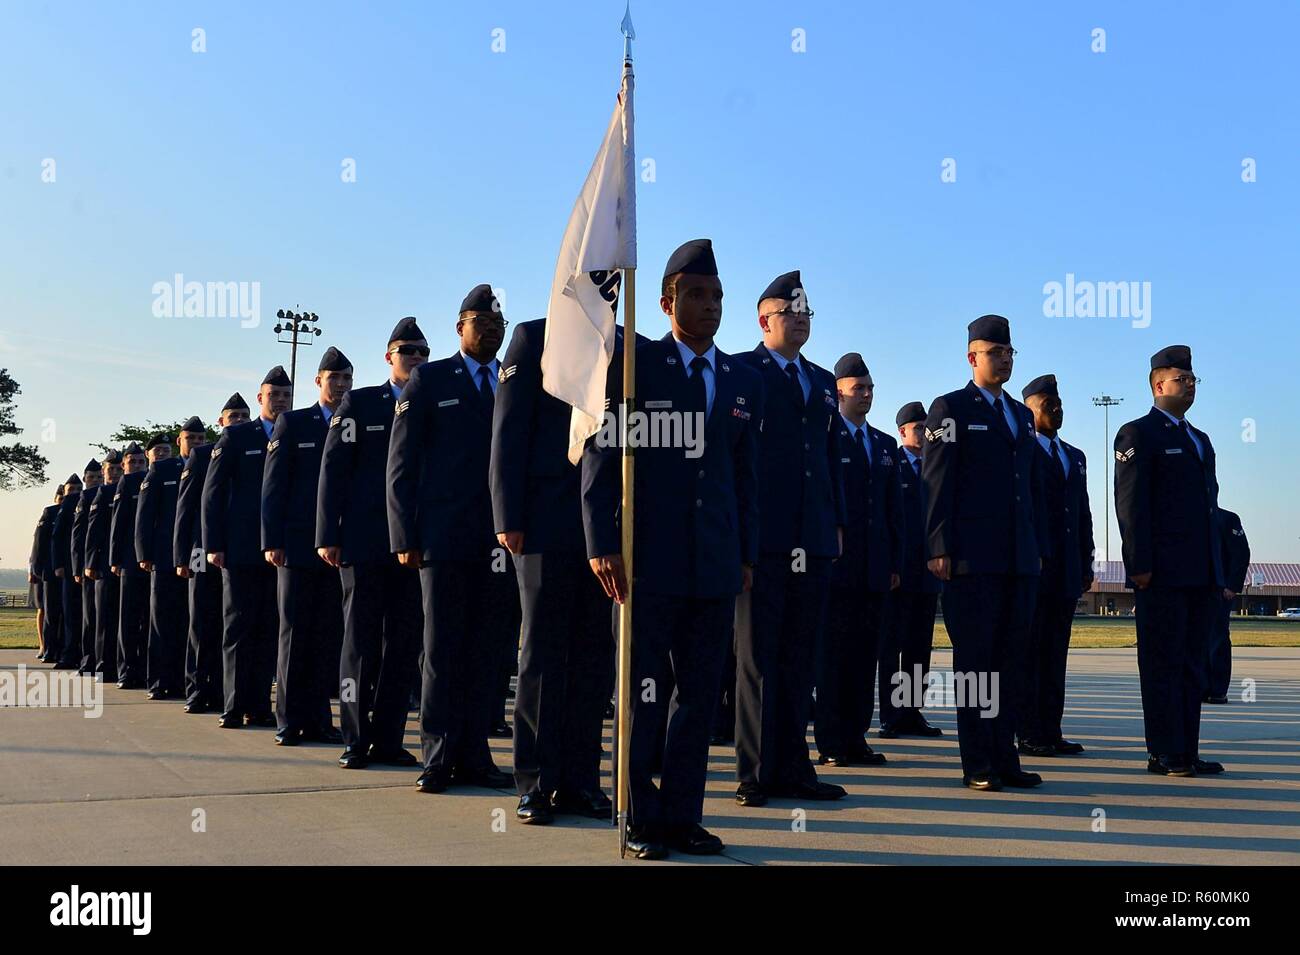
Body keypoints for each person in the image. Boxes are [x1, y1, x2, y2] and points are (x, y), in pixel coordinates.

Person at [583, 238, 764, 859]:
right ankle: (636, 814)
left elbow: (745, 478)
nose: (709, 306)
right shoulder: (639, 366)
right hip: (645, 563)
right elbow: (602, 459)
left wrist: (746, 556)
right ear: (666, 302)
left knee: (696, 698)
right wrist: (601, 542)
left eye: (717, 296)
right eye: (696, 294)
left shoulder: (740, 379)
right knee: (641, 692)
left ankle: (683, 815)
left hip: (713, 566)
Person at [491, 316, 619, 824]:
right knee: (542, 651)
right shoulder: (533, 337)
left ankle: (581, 781)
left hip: (607, 525)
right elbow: (509, 427)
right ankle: (537, 783)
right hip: (545, 519)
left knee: (593, 656)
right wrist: (508, 516)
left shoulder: (622, 341)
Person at [388, 284, 516, 794]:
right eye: (480, 322)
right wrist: (404, 532)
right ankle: (438, 756)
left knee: (488, 652)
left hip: (500, 541)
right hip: (442, 539)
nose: (490, 330)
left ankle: (476, 755)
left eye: (497, 324)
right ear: (459, 328)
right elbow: (402, 463)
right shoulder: (430, 379)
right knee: (441, 649)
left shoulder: (513, 380)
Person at [733, 269, 846, 807]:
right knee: (757, 659)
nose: (800, 319)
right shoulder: (743, 372)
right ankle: (754, 772)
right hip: (764, 538)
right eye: (790, 312)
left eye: (807, 313)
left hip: (813, 535)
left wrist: (836, 523)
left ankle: (794, 768)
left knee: (801, 657)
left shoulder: (822, 381)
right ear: (764, 320)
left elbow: (827, 461)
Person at [922, 314, 1048, 791]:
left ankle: (1005, 756)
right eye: (996, 353)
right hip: (970, 559)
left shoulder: (1019, 415)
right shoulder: (950, 408)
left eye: (1010, 352)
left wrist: (1037, 550)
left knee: (1011, 661)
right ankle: (977, 761)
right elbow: (936, 481)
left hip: (1017, 559)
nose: (1005, 359)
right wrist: (938, 546)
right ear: (972, 357)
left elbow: (1029, 488)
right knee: (975, 662)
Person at [318, 318, 427, 769]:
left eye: (422, 352)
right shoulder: (359, 404)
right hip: (363, 542)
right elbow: (333, 470)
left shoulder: (432, 399)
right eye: (407, 352)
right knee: (360, 643)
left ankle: (389, 738)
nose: (416, 359)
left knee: (403, 644)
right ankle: (355, 738)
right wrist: (328, 534)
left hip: (416, 544)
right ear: (389, 357)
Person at [1114, 344, 1225, 777]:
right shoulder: (1137, 434)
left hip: (1200, 572)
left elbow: (1210, 509)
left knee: (1193, 664)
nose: (1190, 385)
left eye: (1193, 379)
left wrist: (1217, 568)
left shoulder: (1199, 440)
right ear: (1159, 385)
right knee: (1162, 662)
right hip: (1160, 572)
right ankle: (1164, 751)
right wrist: (1138, 563)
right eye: (1182, 379)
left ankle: (1188, 750)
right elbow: (1131, 504)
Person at [813, 352, 902, 766]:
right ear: (839, 393)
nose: (865, 395)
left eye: (869, 389)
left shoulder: (884, 445)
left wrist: (895, 563)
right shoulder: (828, 435)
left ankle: (857, 737)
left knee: (867, 656)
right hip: (837, 567)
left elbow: (893, 510)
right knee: (835, 656)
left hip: (875, 568)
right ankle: (832, 740)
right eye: (858, 389)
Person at [263, 347, 352, 745]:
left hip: (338, 548)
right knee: (294, 633)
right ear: (318, 382)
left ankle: (320, 719)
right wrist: (272, 540)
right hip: (296, 546)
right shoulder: (294, 424)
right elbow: (274, 486)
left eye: (347, 379)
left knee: (327, 636)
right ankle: (288, 719)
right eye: (335, 379)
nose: (342, 386)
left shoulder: (353, 420)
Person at [203, 368, 292, 728]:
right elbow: (213, 493)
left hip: (280, 549)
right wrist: (214, 544)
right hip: (239, 548)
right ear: (261, 398)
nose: (281, 401)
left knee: (269, 627)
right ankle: (233, 705)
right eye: (274, 395)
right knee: (238, 626)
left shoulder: (296, 431)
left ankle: (259, 704)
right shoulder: (237, 437)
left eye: (286, 395)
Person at [1017, 374, 1094, 757]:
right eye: (1048, 404)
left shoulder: (1074, 456)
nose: (1056, 409)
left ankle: (1051, 729)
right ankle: (1028, 731)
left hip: (1066, 570)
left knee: (1055, 655)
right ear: (1028, 408)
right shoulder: (1023, 450)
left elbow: (1083, 513)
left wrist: (1087, 559)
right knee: (1030, 653)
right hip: (1035, 567)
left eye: (1059, 403)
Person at [879, 402, 944, 737]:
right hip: (899, 571)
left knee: (919, 647)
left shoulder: (937, 465)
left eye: (926, 427)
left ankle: (912, 711)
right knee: (892, 646)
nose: (923, 432)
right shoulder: (895, 465)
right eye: (917, 427)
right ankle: (891, 714)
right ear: (902, 432)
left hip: (928, 572)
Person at [176, 406, 243, 714]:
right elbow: (186, 510)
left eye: (244, 416)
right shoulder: (203, 456)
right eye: (233, 417)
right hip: (202, 551)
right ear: (222, 421)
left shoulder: (248, 446)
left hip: (236, 550)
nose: (239, 422)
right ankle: (197, 689)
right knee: (202, 622)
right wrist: (183, 555)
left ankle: (221, 691)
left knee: (229, 625)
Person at [136, 432, 189, 699]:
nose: (196, 443)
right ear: (182, 441)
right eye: (191, 438)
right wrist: (144, 553)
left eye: (201, 438)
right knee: (161, 621)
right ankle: (158, 681)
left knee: (187, 623)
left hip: (196, 558)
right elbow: (145, 516)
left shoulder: (204, 463)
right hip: (164, 557)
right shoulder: (161, 470)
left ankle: (181, 681)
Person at [110, 442, 151, 689]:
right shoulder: (125, 484)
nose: (136, 466)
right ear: (123, 464)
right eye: (132, 462)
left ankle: (145, 668)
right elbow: (119, 524)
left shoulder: (151, 479)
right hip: (128, 559)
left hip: (150, 558)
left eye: (140, 462)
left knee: (148, 617)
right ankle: (126, 670)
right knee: (128, 617)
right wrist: (115, 559)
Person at [86, 449, 125, 681]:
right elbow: (91, 532)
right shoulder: (101, 494)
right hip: (102, 565)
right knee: (104, 619)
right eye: (112, 469)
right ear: (104, 471)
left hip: (126, 562)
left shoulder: (131, 488)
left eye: (119, 468)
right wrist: (90, 563)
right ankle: (103, 666)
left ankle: (123, 667)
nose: (116, 473)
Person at [1206, 509, 1249, 704]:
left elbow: (1241, 553)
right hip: (1194, 588)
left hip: (1219, 590)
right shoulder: (1188, 516)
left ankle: (1217, 689)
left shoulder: (1227, 519)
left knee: (1217, 639)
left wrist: (1232, 585)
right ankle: (1198, 687)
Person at [71, 459, 104, 673]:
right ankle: (88, 660)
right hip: (90, 564)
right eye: (91, 478)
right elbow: (78, 535)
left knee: (104, 616)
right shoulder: (85, 497)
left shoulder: (110, 492)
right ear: (85, 480)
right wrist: (78, 567)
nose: (95, 481)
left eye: (98, 477)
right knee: (90, 616)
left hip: (108, 562)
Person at [50, 473, 85, 668]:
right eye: (72, 489)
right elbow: (58, 536)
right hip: (70, 566)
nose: (76, 493)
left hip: (90, 565)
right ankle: (69, 653)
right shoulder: (69, 504)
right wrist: (58, 565)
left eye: (78, 489)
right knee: (70, 613)